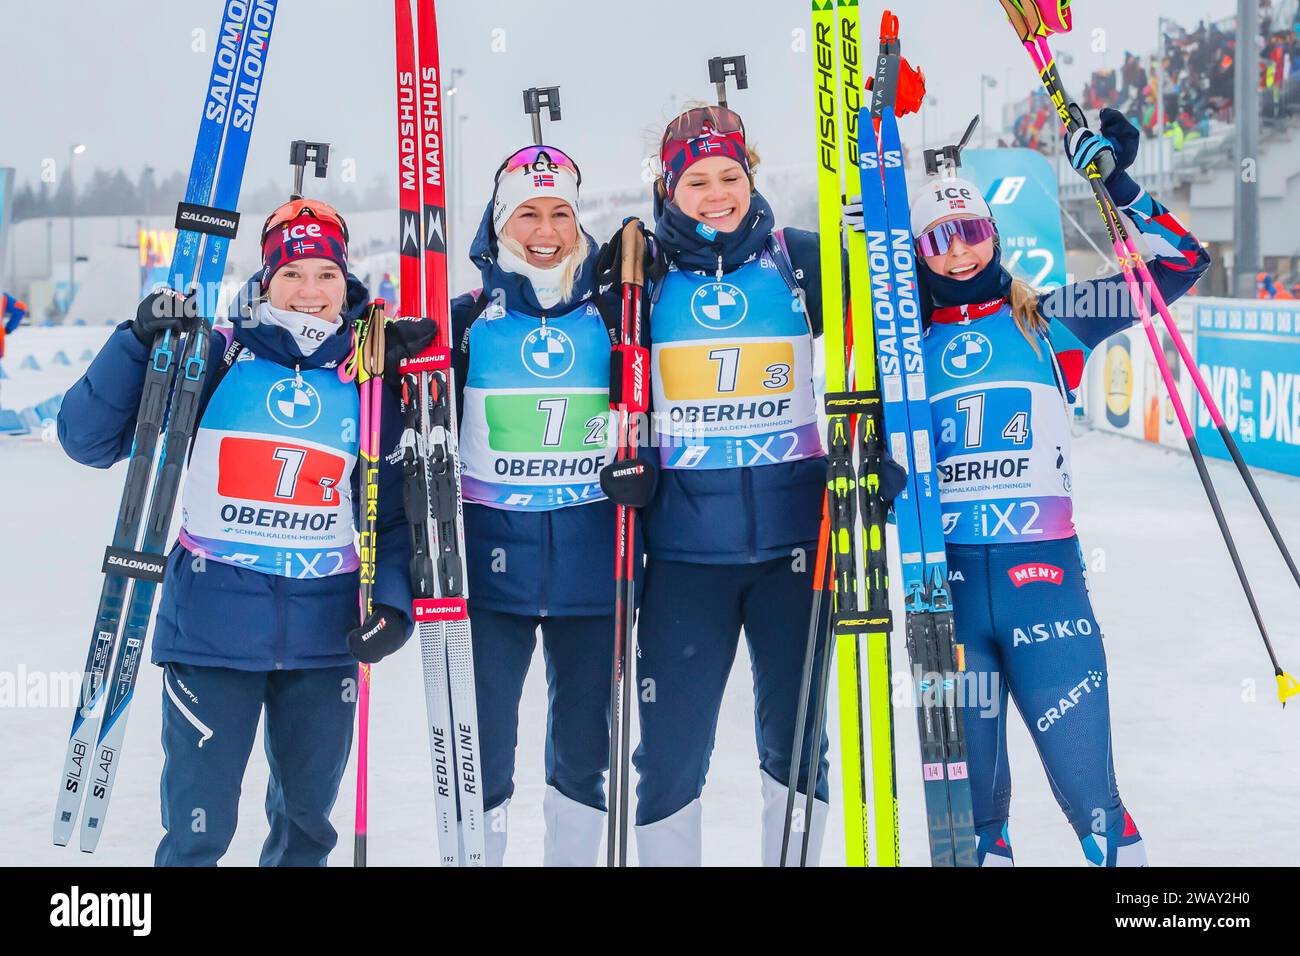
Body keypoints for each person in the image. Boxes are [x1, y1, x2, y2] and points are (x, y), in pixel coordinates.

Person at [57, 200, 414, 866]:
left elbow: (389, 515)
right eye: (293, 275)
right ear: (266, 281)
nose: (310, 292)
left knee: (306, 829)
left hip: (325, 640)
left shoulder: (367, 381)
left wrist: (392, 608)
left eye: (326, 275)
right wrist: (136, 343)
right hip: (212, 635)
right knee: (198, 832)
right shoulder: (217, 357)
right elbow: (87, 440)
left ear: (348, 282)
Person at [906, 107, 1209, 866]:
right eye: (939, 239)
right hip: (942, 600)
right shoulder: (898, 351)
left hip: (1045, 588)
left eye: (972, 231)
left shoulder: (1054, 321)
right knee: (973, 831)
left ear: (995, 233)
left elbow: (1181, 264)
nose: (960, 251)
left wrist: (1120, 185)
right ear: (915, 252)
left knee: (1097, 805)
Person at [623, 104, 833, 866]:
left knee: (798, 744)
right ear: (670, 188)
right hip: (683, 562)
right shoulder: (637, 278)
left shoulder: (799, 260)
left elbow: (913, 302)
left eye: (730, 177)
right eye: (697, 181)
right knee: (672, 752)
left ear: (751, 177)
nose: (717, 195)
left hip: (797, 553)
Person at [434, 143, 625, 865]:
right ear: (499, 223)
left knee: (584, 753)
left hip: (592, 576)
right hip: (488, 579)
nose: (544, 229)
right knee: (482, 750)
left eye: (560, 213)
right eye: (527, 214)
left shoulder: (616, 314)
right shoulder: (464, 323)